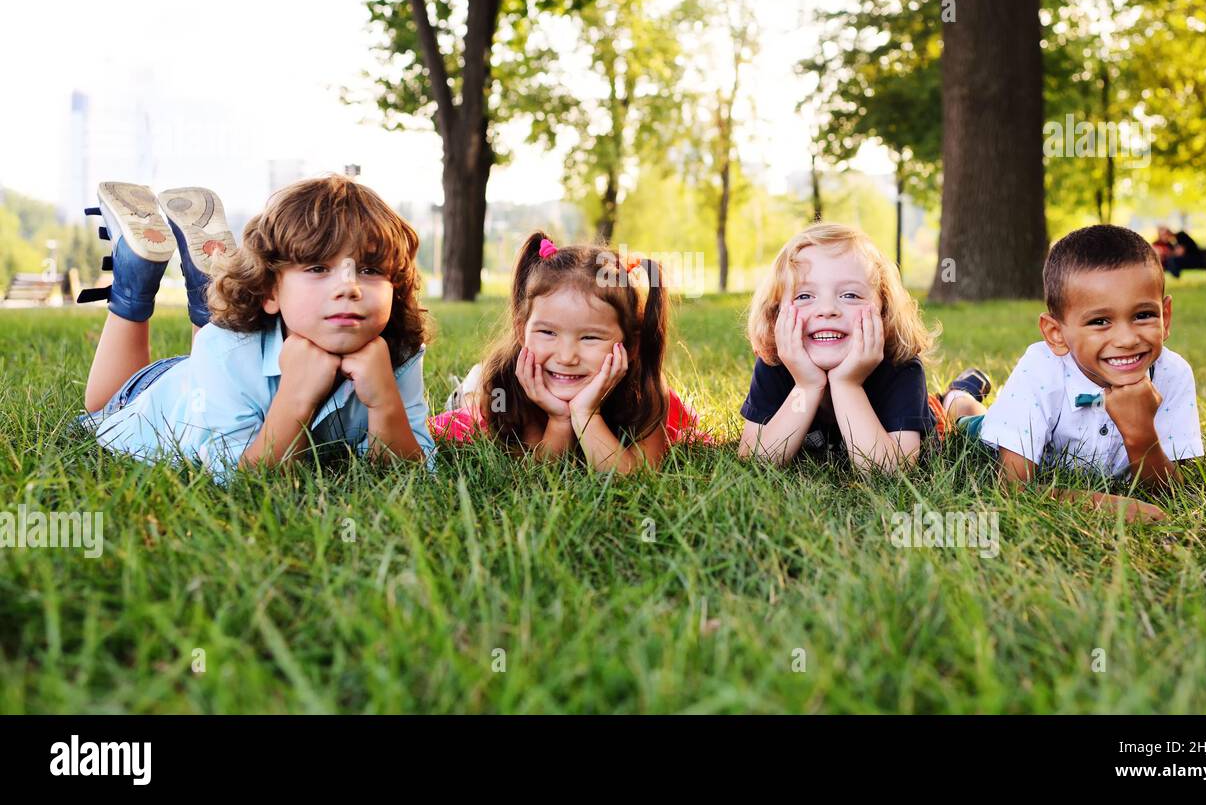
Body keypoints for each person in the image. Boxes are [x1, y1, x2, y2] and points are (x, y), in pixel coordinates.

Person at [77, 176, 436, 481]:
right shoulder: (226, 349)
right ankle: (133, 280)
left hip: (211, 377)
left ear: (396, 288)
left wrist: (384, 400)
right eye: (317, 269)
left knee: (225, 342)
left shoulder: (398, 352)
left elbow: (411, 474)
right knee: (100, 408)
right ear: (270, 291)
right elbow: (239, 478)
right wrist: (296, 397)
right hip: (155, 393)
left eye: (370, 270)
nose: (349, 287)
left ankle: (206, 285)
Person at [943, 224, 1203, 522]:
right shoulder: (1040, 370)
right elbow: (1013, 490)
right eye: (1100, 321)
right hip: (994, 431)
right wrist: (1101, 504)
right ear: (1056, 333)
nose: (1127, 339)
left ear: (1165, 317)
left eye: (1143, 315)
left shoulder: (1174, 374)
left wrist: (1141, 434)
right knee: (964, 420)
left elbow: (1171, 492)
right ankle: (960, 395)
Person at [430, 232, 708, 471]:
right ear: (521, 331)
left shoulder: (645, 389)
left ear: (631, 345)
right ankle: (469, 387)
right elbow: (539, 471)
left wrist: (586, 414)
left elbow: (636, 475)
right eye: (548, 332)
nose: (566, 357)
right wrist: (560, 420)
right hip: (486, 391)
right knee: (472, 404)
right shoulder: (508, 386)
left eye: (589, 337)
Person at [737, 222, 942, 473]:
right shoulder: (777, 363)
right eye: (804, 296)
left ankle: (961, 395)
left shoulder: (901, 366)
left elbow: (891, 472)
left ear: (884, 309)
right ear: (776, 312)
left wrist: (847, 384)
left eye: (850, 295)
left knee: (953, 414)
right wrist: (806, 385)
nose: (827, 310)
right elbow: (755, 461)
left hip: (932, 415)